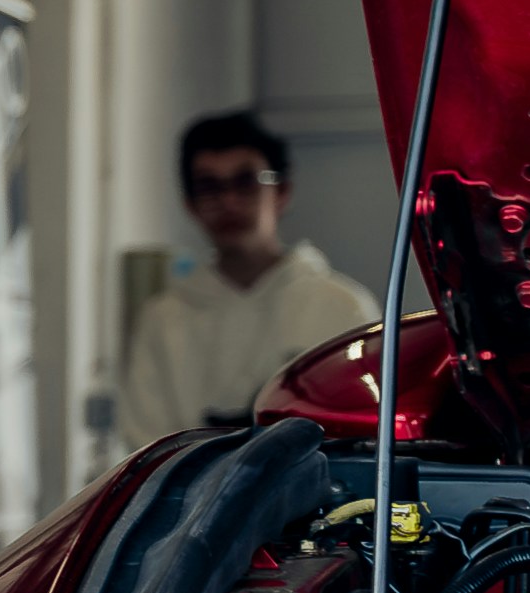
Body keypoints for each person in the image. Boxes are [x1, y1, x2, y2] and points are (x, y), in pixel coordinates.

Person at [113, 112, 382, 451]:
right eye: (210, 187)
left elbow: (364, 435)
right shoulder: (163, 320)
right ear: (190, 205)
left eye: (246, 182)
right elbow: (146, 446)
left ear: (282, 192)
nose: (228, 202)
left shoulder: (342, 307)